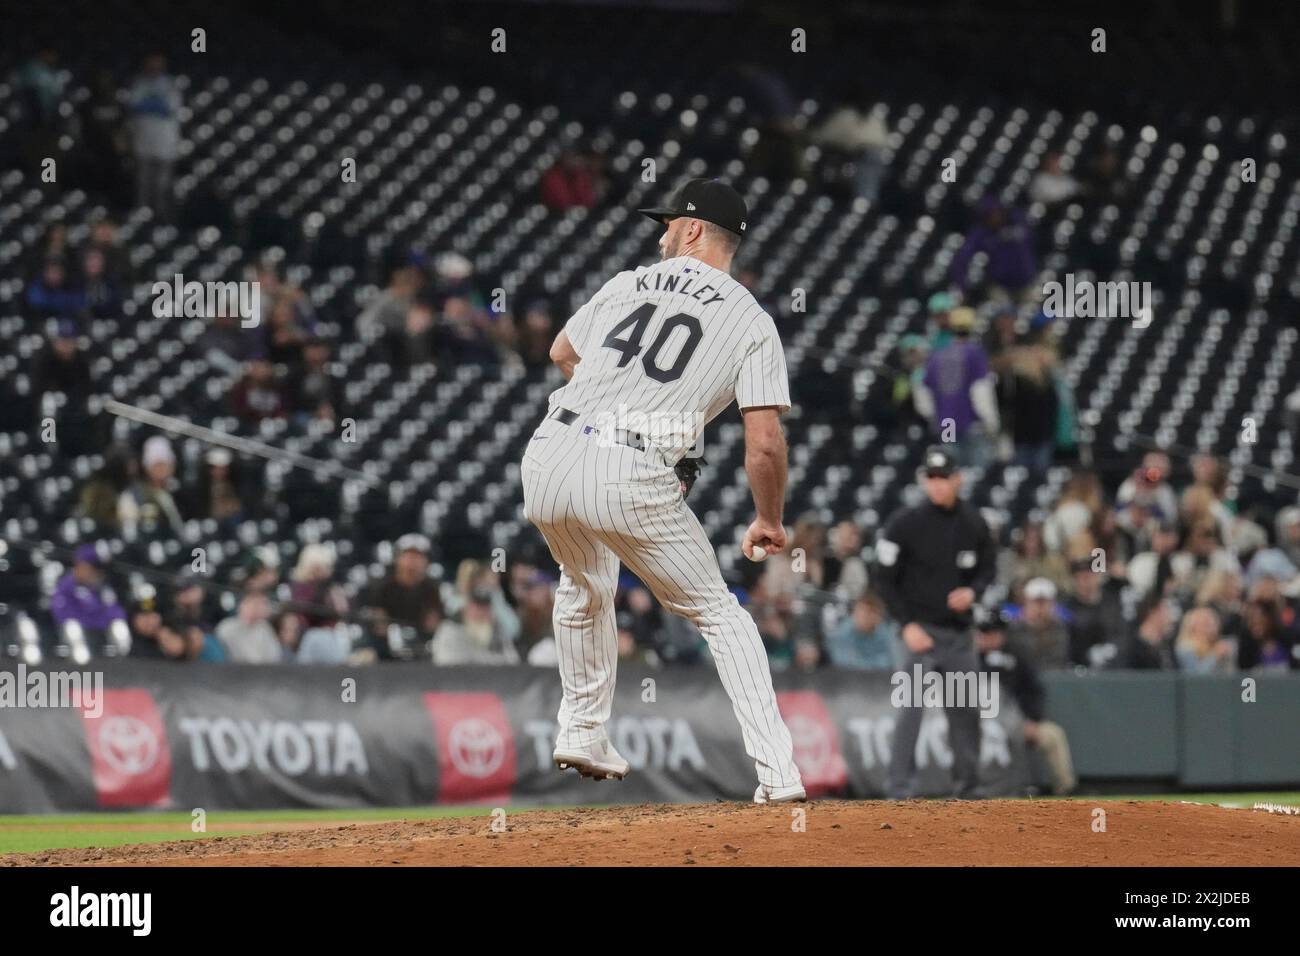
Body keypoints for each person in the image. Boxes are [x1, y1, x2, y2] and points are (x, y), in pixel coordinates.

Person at [520, 178, 806, 803]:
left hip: (548, 453)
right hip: (627, 468)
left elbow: (561, 351)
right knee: (718, 612)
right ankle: (779, 776)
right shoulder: (751, 320)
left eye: (670, 222)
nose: (661, 232)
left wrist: (621, 409)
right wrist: (770, 520)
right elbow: (764, 443)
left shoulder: (627, 281)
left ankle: (582, 728)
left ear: (696, 230)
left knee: (583, 582)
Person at [874, 445, 997, 799]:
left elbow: (989, 567)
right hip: (918, 634)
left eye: (944, 478)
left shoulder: (974, 523)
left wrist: (973, 591)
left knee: (965, 713)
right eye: (932, 478)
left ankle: (968, 790)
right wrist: (906, 624)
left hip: (957, 635)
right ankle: (899, 791)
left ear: (958, 479)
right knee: (910, 712)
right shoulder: (906, 523)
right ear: (924, 481)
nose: (938, 485)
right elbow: (883, 578)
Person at [975, 611, 1076, 795]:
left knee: (1053, 735)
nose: (986, 638)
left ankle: (1066, 791)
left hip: (1015, 721)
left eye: (991, 633)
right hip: (977, 725)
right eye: (982, 633)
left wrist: (1032, 719)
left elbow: (1034, 691)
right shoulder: (966, 658)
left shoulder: (1016, 655)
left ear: (1002, 634)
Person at [913, 307, 999, 468]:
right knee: (977, 473)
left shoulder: (937, 355)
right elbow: (980, 391)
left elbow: (923, 391)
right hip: (972, 422)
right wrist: (991, 422)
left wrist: (934, 415)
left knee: (952, 469)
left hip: (946, 422)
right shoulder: (975, 354)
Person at [361, 534, 445, 660]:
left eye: (418, 557)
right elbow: (379, 625)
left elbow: (433, 624)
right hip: (385, 647)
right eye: (408, 556)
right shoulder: (383, 586)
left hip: (422, 646)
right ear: (397, 559)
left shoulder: (431, 588)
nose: (412, 562)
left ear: (426, 561)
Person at [127, 53, 181, 221]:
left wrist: (150, 103)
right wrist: (154, 103)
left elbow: (169, 108)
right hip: (143, 140)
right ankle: (142, 217)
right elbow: (134, 105)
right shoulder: (139, 83)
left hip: (165, 142)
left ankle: (161, 218)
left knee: (162, 185)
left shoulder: (171, 84)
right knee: (143, 183)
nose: (154, 66)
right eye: (152, 62)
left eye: (158, 63)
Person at [50, 543, 127, 644]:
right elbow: (62, 615)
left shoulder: (102, 587)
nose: (96, 573)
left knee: (119, 627)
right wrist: (96, 621)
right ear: (80, 565)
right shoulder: (65, 585)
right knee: (72, 628)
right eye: (92, 568)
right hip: (76, 640)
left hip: (102, 636)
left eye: (98, 569)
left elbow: (116, 611)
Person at [117, 435, 184, 539]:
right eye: (157, 465)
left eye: (165, 464)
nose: (162, 469)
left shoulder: (176, 491)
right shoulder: (134, 494)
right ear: (147, 467)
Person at [1010, 577, 1071, 670]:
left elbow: (1060, 659)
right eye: (1035, 602)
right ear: (1026, 603)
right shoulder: (1013, 629)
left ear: (1053, 604)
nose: (1039, 608)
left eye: (1044, 603)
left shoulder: (1061, 628)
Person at [825, 593, 896, 669]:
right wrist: (872, 665)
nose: (865, 617)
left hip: (879, 677)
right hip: (848, 678)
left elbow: (891, 660)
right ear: (855, 613)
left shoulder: (884, 631)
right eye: (863, 612)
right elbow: (844, 662)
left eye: (872, 612)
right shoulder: (842, 632)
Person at [216, 591, 282, 663]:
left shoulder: (264, 627)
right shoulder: (227, 626)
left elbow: (275, 655)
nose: (263, 607)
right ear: (244, 604)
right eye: (257, 603)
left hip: (264, 671)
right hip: (234, 671)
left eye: (264, 604)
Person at [1119, 593, 1176, 670]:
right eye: (1166, 610)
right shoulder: (1131, 649)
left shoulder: (1167, 647)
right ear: (1152, 612)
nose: (1170, 617)